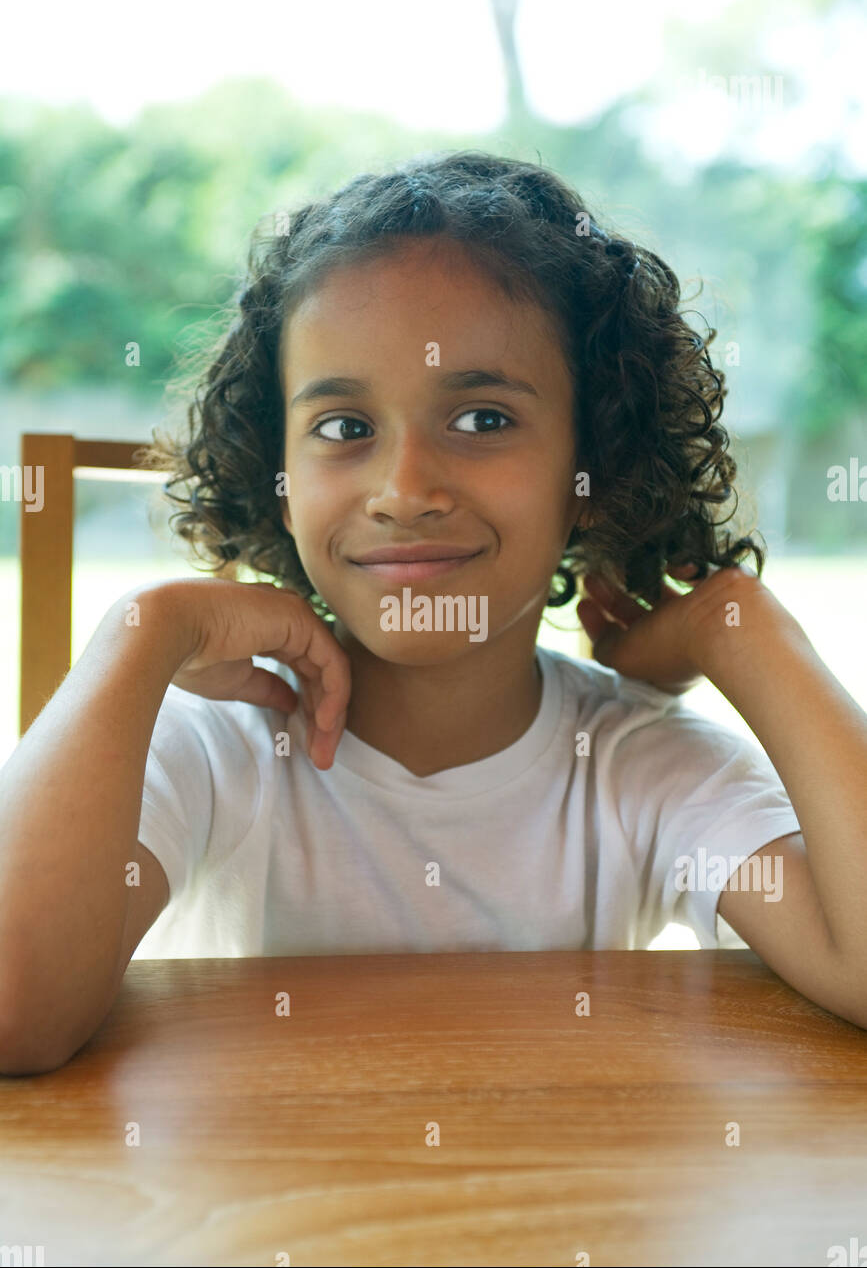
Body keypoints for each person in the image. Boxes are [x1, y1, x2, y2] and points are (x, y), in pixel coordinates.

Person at [2, 151, 865, 1074]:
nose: (404, 490)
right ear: (280, 483)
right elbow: (15, 1010)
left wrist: (739, 627)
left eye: (484, 419)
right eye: (344, 429)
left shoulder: (636, 764)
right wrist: (142, 634)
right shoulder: (214, 741)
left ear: (591, 467)